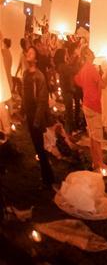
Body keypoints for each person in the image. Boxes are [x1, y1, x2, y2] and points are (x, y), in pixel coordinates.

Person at [22, 46, 54, 187]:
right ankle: (47, 174)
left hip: (36, 115)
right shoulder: (25, 74)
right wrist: (23, 111)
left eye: (31, 53)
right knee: (37, 147)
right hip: (29, 114)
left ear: (35, 59)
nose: (27, 54)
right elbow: (25, 94)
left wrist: (36, 120)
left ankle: (48, 178)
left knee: (40, 148)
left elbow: (42, 100)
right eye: (27, 52)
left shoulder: (39, 76)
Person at [74, 46, 106, 171]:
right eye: (91, 52)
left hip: (86, 104)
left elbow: (78, 81)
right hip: (94, 106)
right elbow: (103, 85)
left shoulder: (83, 69)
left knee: (92, 136)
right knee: (97, 137)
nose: (93, 54)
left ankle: (95, 163)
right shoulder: (92, 69)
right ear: (86, 54)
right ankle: (100, 164)